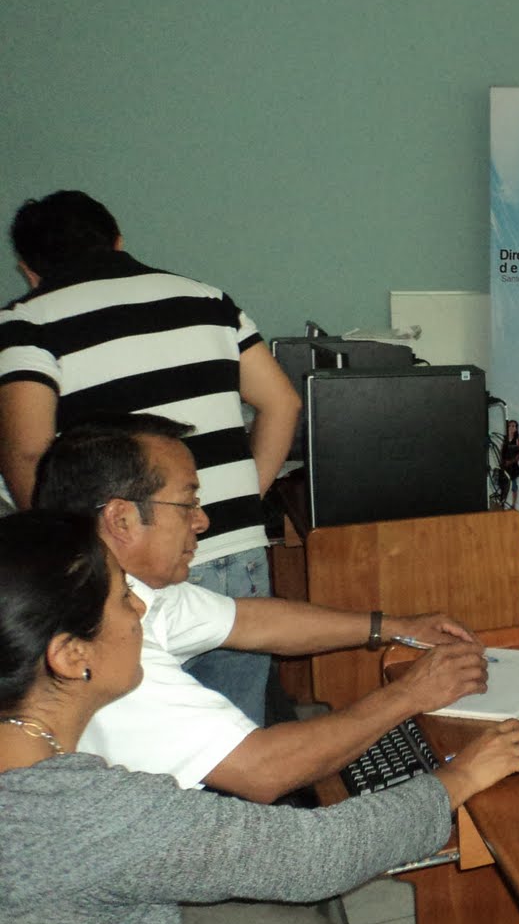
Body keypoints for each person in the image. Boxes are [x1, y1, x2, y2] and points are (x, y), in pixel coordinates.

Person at [32, 414, 495, 924]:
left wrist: (395, 626)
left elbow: (248, 619)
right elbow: (271, 782)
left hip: (106, 888)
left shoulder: (97, 595)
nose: (203, 520)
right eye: (188, 502)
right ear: (122, 517)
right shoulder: (109, 666)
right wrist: (428, 724)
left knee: (313, 887)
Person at [0, 190, 303, 725]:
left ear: (29, 269)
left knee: (139, 748)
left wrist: (59, 560)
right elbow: (282, 401)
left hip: (122, 570)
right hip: (235, 548)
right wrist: (235, 501)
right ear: (117, 241)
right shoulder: (209, 300)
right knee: (240, 739)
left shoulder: (27, 322)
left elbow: (27, 450)